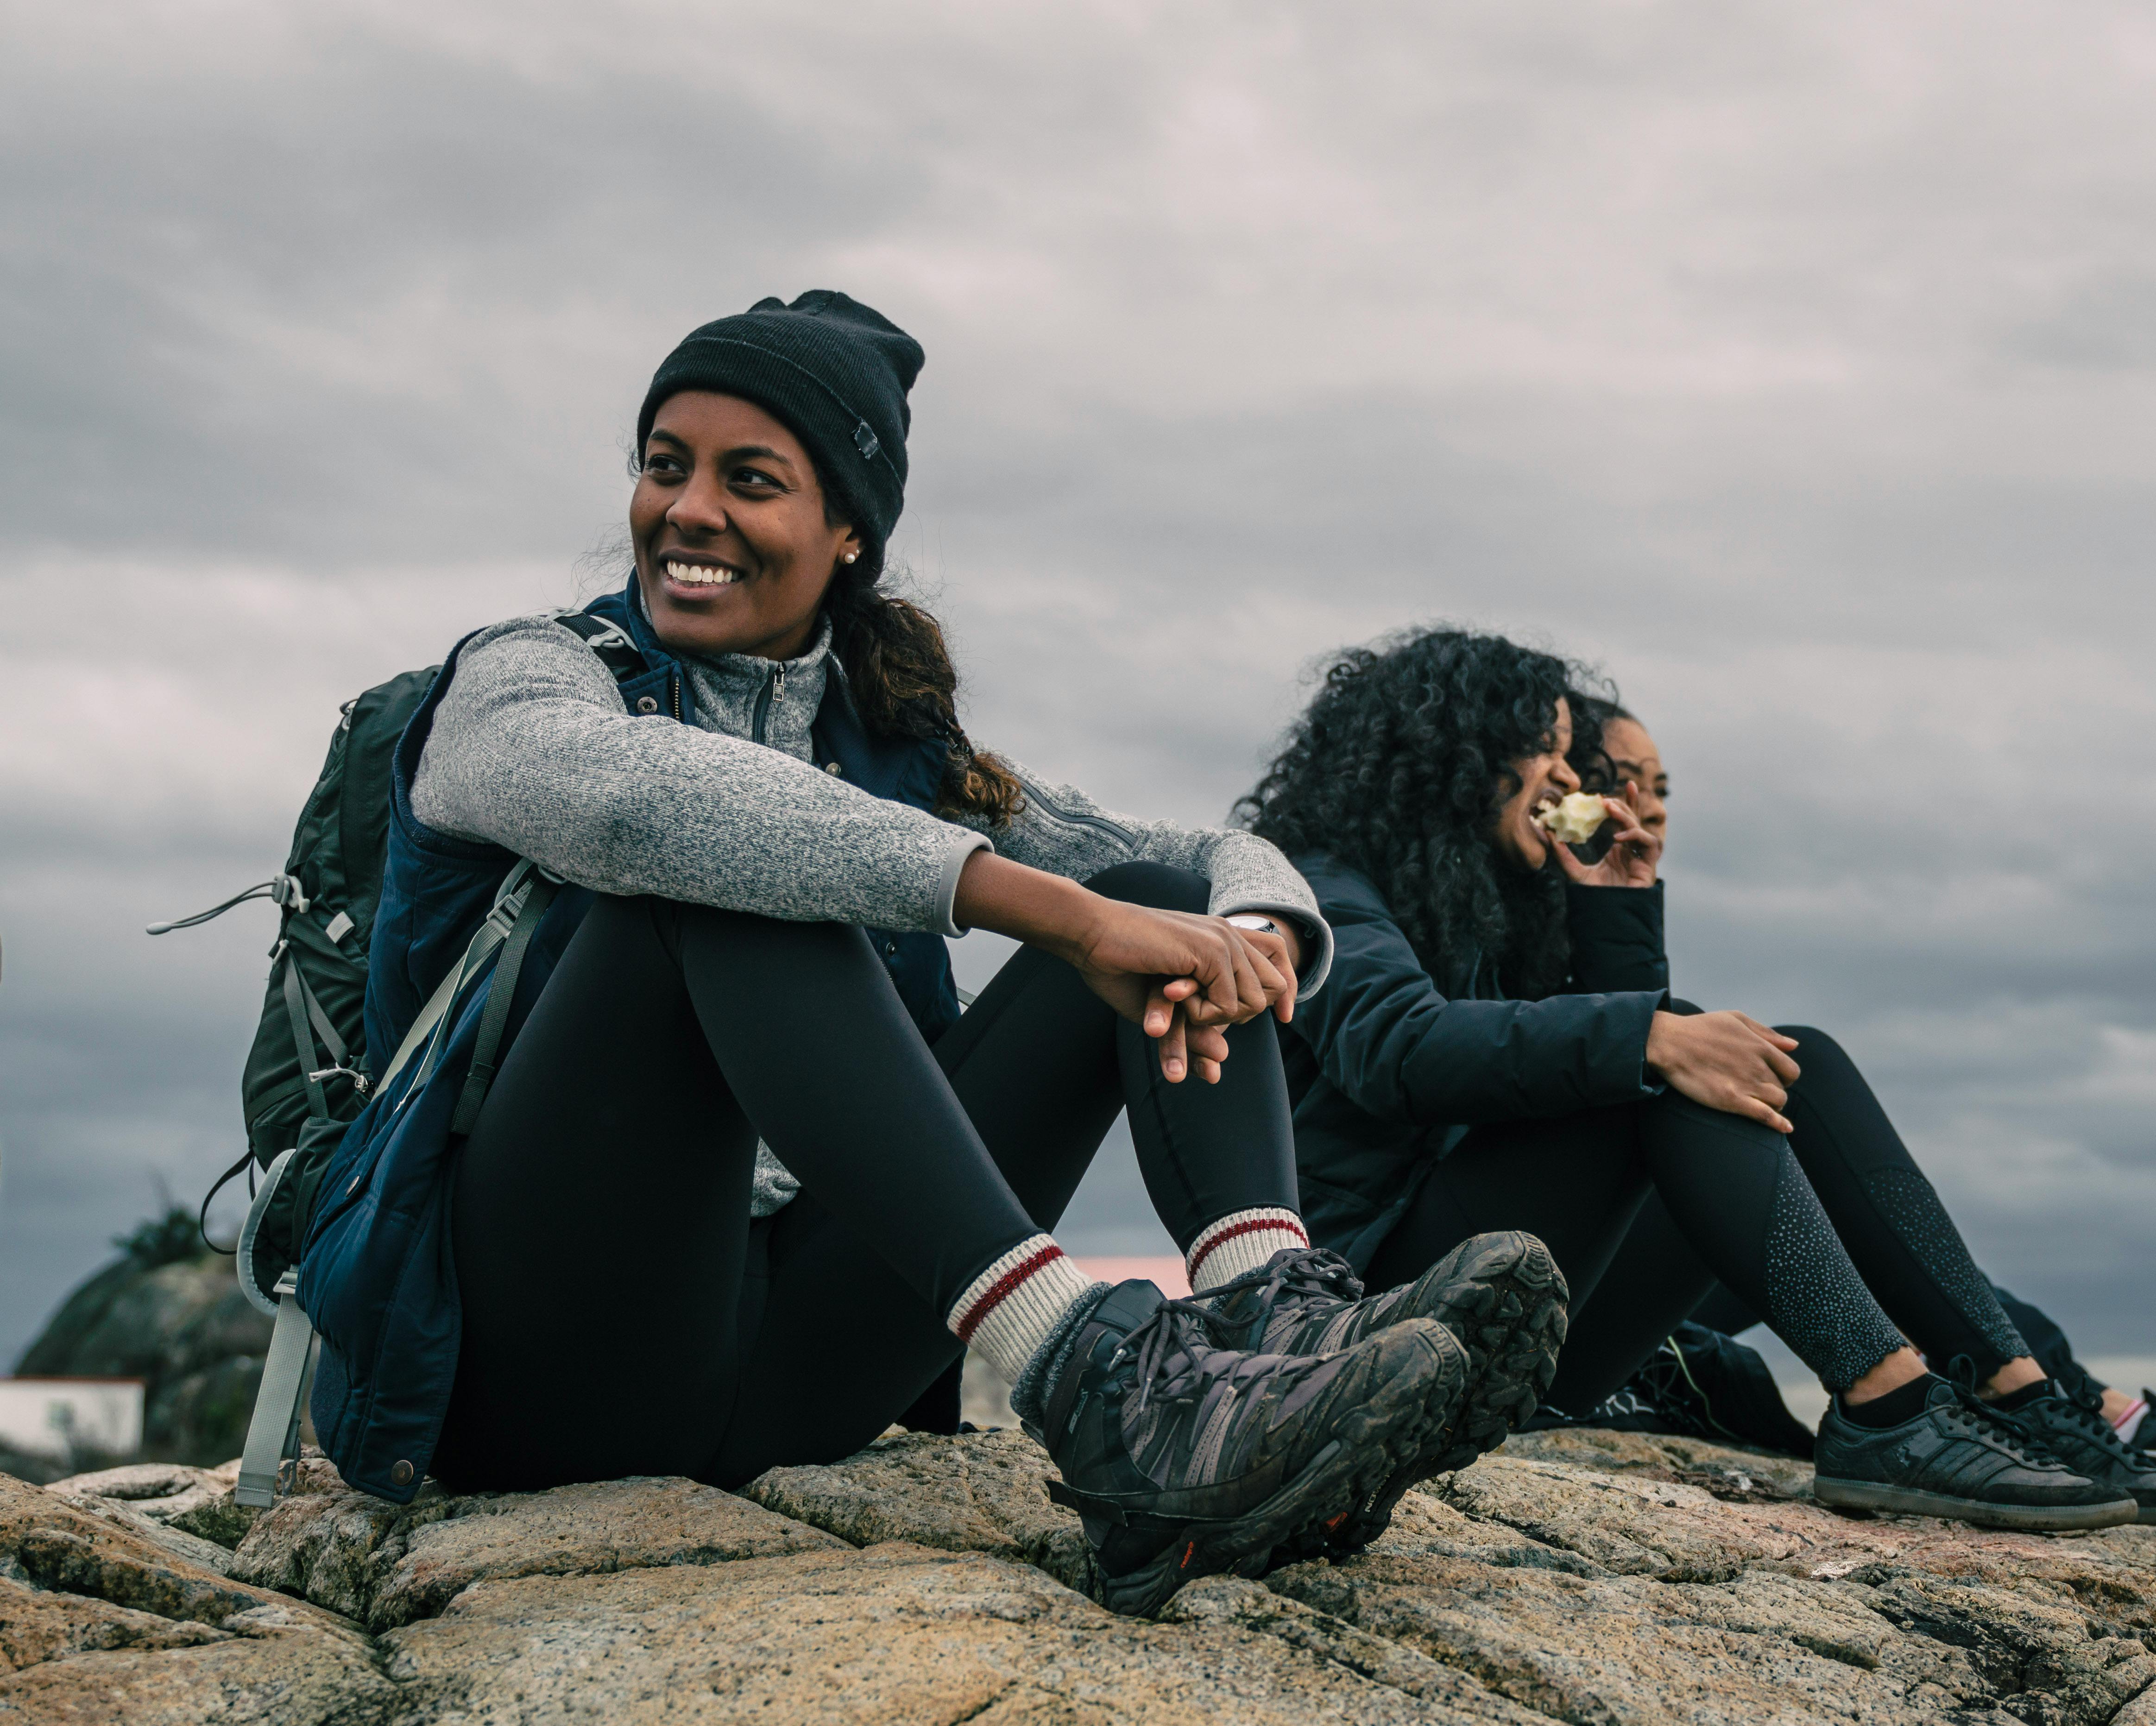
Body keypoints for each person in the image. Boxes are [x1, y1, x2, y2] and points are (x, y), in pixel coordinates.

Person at [293, 294, 1566, 1618]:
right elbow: (633, 806)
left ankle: (1270, 1328)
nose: (686, 510)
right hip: (523, 1370)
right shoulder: (528, 677)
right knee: (725, 876)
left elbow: (1208, 853)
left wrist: (1245, 933)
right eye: (663, 464)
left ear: (847, 531)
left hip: (789, 1370)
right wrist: (1055, 917)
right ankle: (1092, 1379)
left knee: (1150, 892)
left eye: (750, 480)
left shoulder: (896, 746)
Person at [1242, 628, 2156, 1534]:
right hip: (1373, 1319)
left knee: (1795, 1064)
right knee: (1668, 1067)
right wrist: (1651, 1037)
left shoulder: (1478, 904)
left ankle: (2022, 1398)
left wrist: (1614, 912)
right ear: (1460, 757)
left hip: (1519, 1319)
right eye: (1543, 749)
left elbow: (1594, 1069)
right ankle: (1888, 1408)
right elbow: (1396, 1052)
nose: (1565, 776)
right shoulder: (1316, 881)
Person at [1558, 695, 2156, 1512]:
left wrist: (1616, 910)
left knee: (1828, 1152)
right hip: (1553, 1284)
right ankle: (2033, 1411)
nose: (1646, 807)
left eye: (1660, 787)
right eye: (1621, 781)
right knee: (1794, 1086)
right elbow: (1606, 1106)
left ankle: (2055, 1408)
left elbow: (1624, 1080)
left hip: (1608, 1263)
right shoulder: (1478, 911)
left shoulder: (1593, 901)